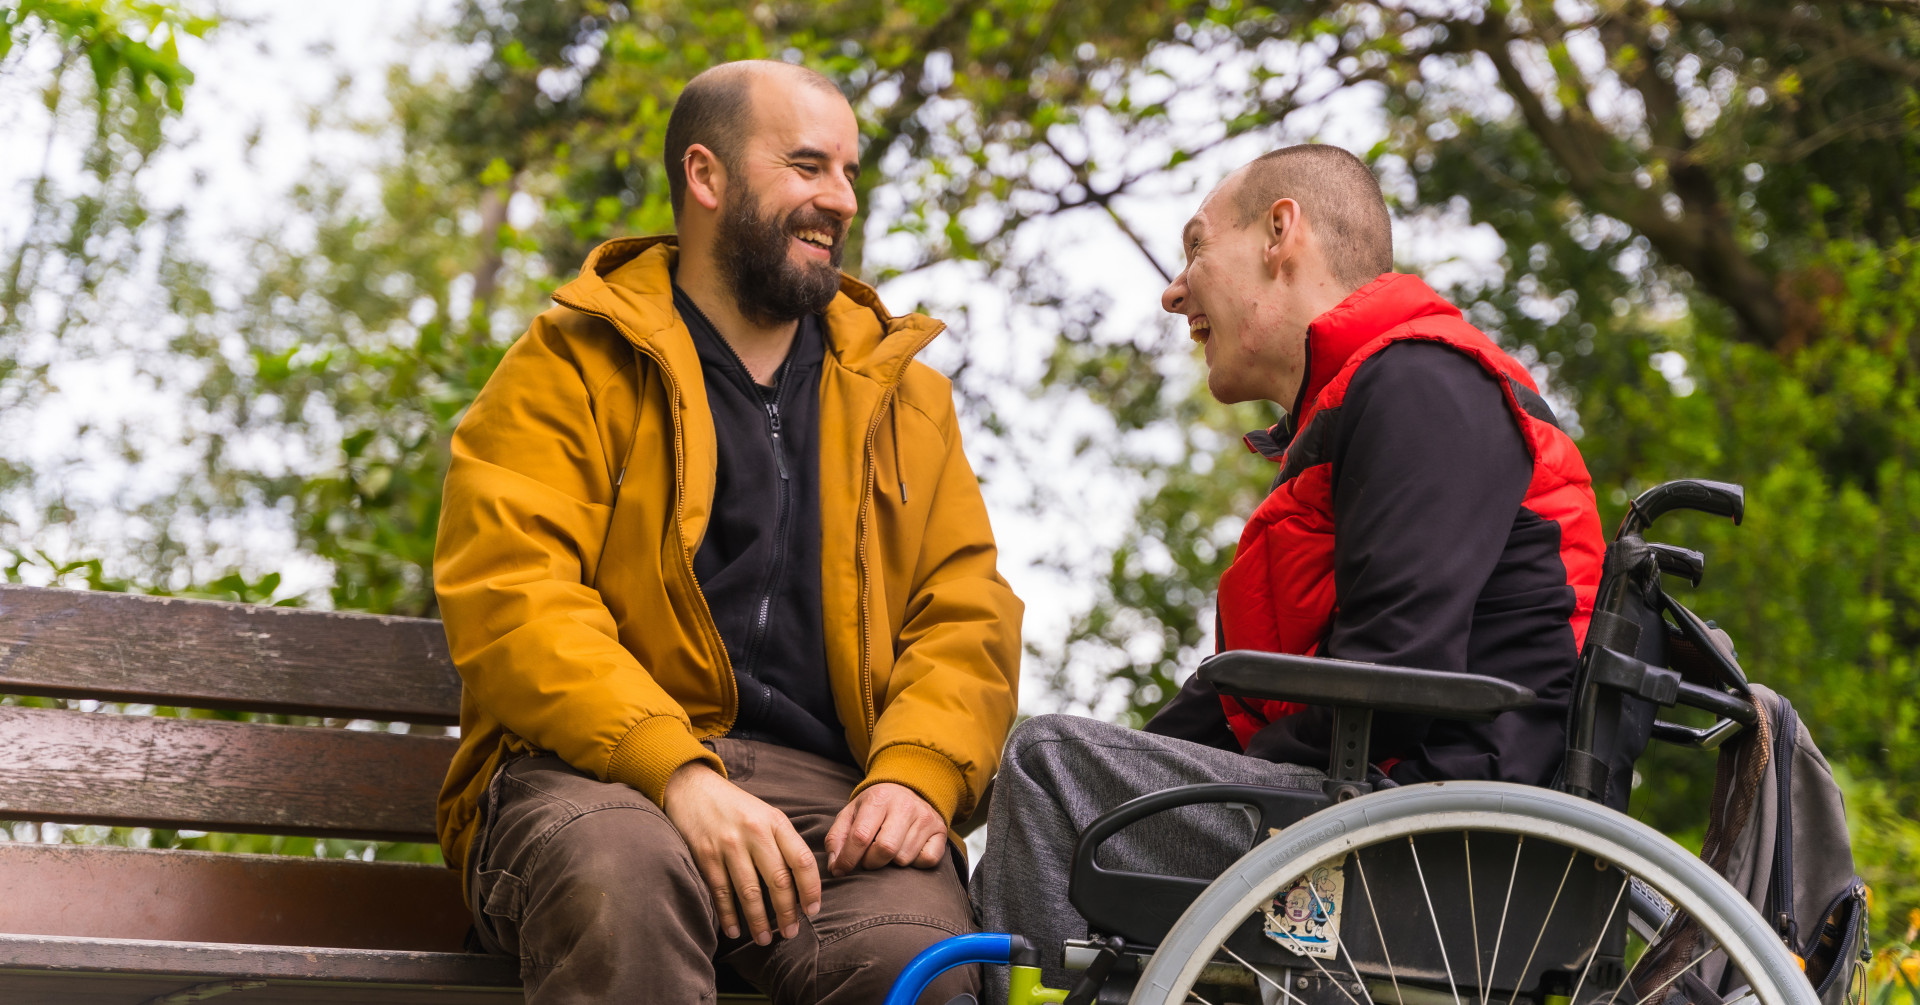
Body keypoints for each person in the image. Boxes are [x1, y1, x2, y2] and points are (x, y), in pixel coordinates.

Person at [433, 59, 1022, 1005]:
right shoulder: (567, 365)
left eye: (849, 172)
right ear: (706, 179)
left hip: (833, 806)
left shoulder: (904, 394)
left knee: (917, 967)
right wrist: (678, 773)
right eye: (807, 166)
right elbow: (516, 597)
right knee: (625, 878)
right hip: (596, 776)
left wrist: (917, 775)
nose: (840, 199)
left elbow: (964, 611)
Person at [970, 143, 1606, 998]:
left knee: (1052, 765)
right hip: (1378, 809)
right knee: (1066, 771)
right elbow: (1235, 704)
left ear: (1281, 232)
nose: (1173, 289)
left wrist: (1160, 783)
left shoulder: (1425, 382)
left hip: (1437, 847)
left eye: (1195, 248)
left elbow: (1395, 673)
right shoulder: (1357, 410)